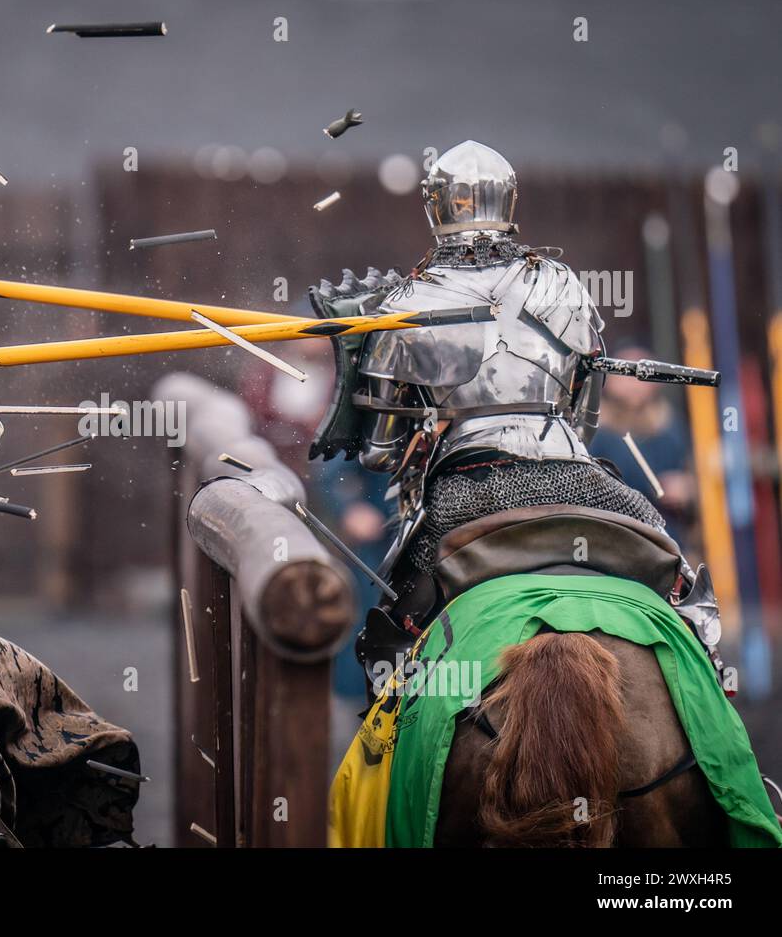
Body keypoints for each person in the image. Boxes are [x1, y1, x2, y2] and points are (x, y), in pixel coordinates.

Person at [306, 140, 723, 687]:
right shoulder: (562, 284)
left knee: (396, 616)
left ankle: (391, 728)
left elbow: (381, 455)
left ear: (435, 206)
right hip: (573, 472)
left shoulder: (406, 304)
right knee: (669, 561)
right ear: (509, 201)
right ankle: (711, 678)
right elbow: (584, 417)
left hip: (466, 486)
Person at [589, 343, 696, 545]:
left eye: (641, 374)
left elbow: (695, 474)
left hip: (667, 539)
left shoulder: (670, 427)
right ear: (609, 380)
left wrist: (687, 487)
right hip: (614, 538)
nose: (633, 383)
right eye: (626, 374)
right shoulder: (595, 431)